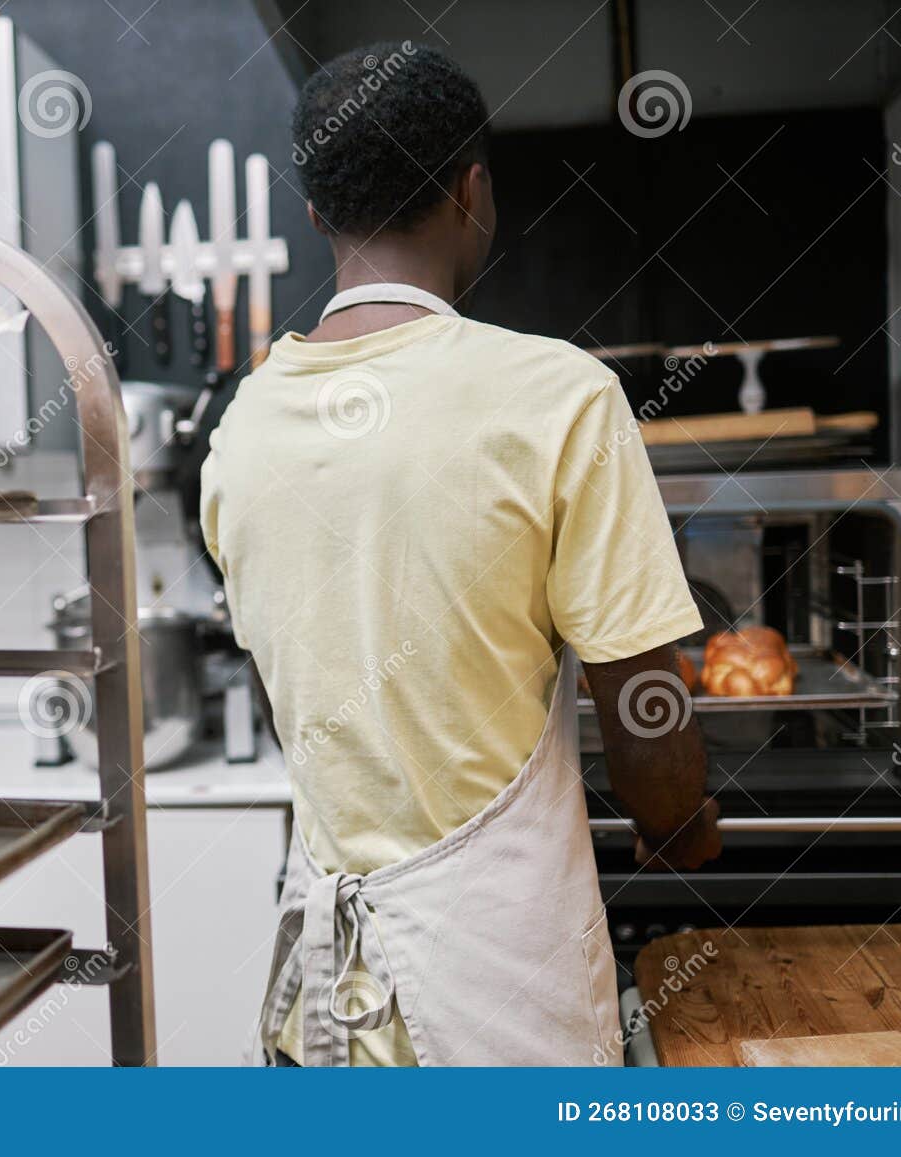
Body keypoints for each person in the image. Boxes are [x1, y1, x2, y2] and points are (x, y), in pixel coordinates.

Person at [199, 42, 721, 1068]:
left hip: (326, 992)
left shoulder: (240, 428)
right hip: (502, 986)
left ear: (316, 214)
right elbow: (642, 699)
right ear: (471, 190)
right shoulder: (557, 395)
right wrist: (678, 824)